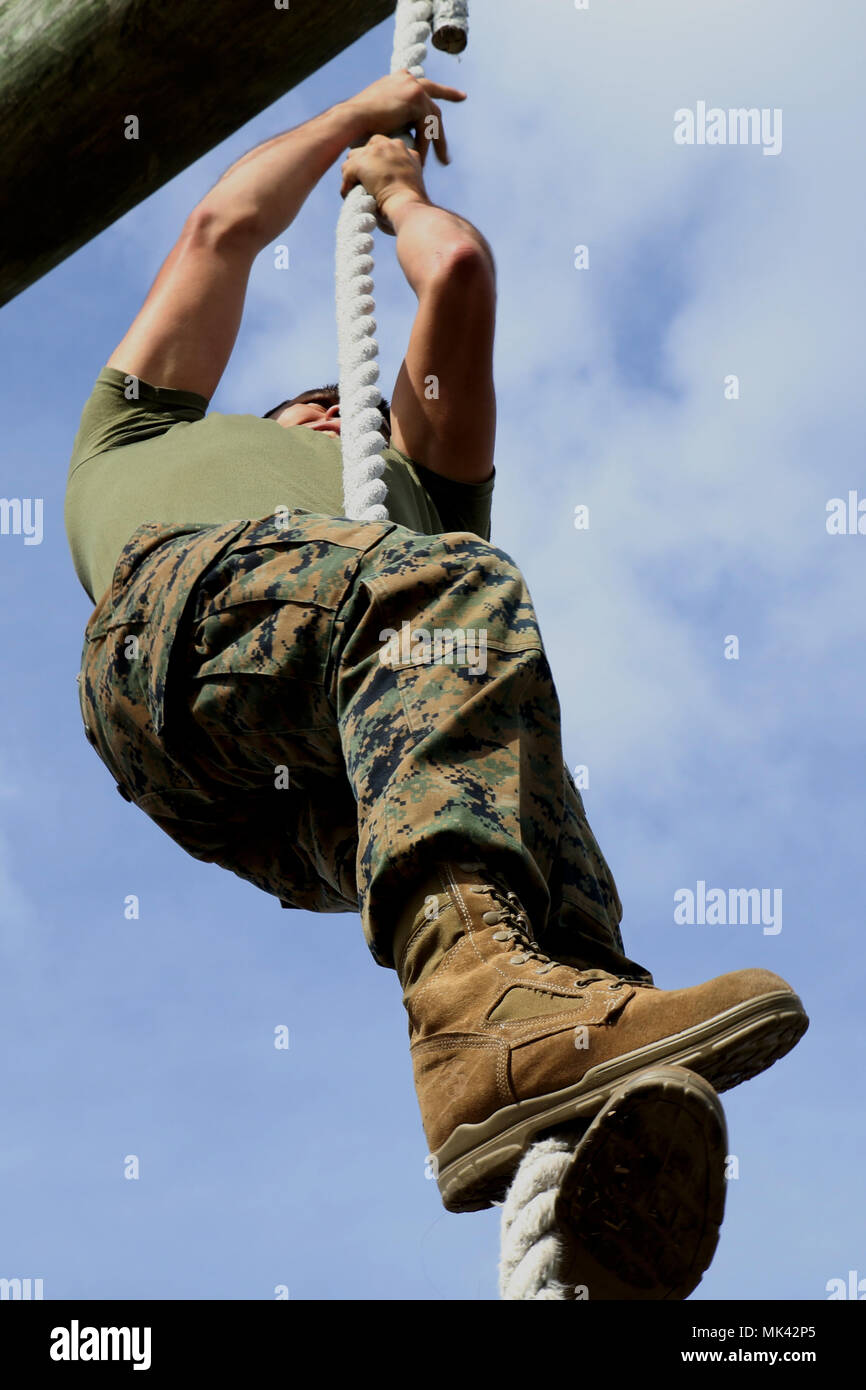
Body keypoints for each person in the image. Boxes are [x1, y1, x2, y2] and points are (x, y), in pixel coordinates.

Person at [67, 71, 808, 1298]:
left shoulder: (412, 494)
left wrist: (402, 193)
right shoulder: (147, 438)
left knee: (521, 785)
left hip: (287, 787)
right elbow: (220, 231)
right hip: (181, 633)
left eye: (357, 404)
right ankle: (479, 1021)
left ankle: (583, 1079)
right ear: (284, 410)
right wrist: (342, 131)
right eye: (319, 401)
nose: (337, 411)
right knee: (454, 595)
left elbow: (455, 274)